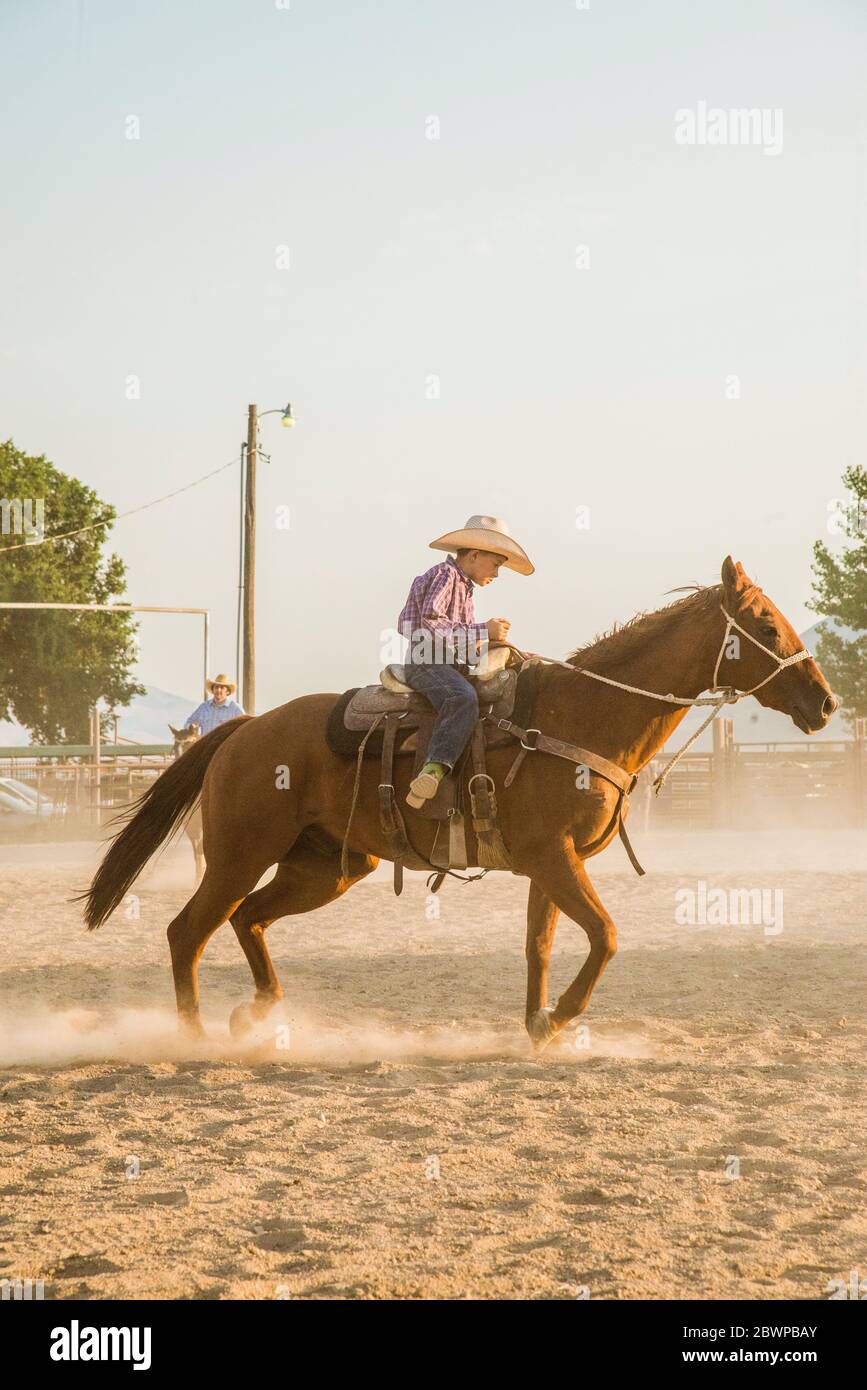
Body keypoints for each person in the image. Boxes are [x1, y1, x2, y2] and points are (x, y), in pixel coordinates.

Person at [397, 515, 534, 808]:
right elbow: (431, 623)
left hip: (448, 663)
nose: (497, 574)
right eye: (496, 564)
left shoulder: (465, 589)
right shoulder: (446, 576)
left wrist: (503, 647)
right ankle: (434, 768)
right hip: (427, 663)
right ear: (474, 554)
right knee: (462, 697)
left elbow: (459, 640)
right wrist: (485, 630)